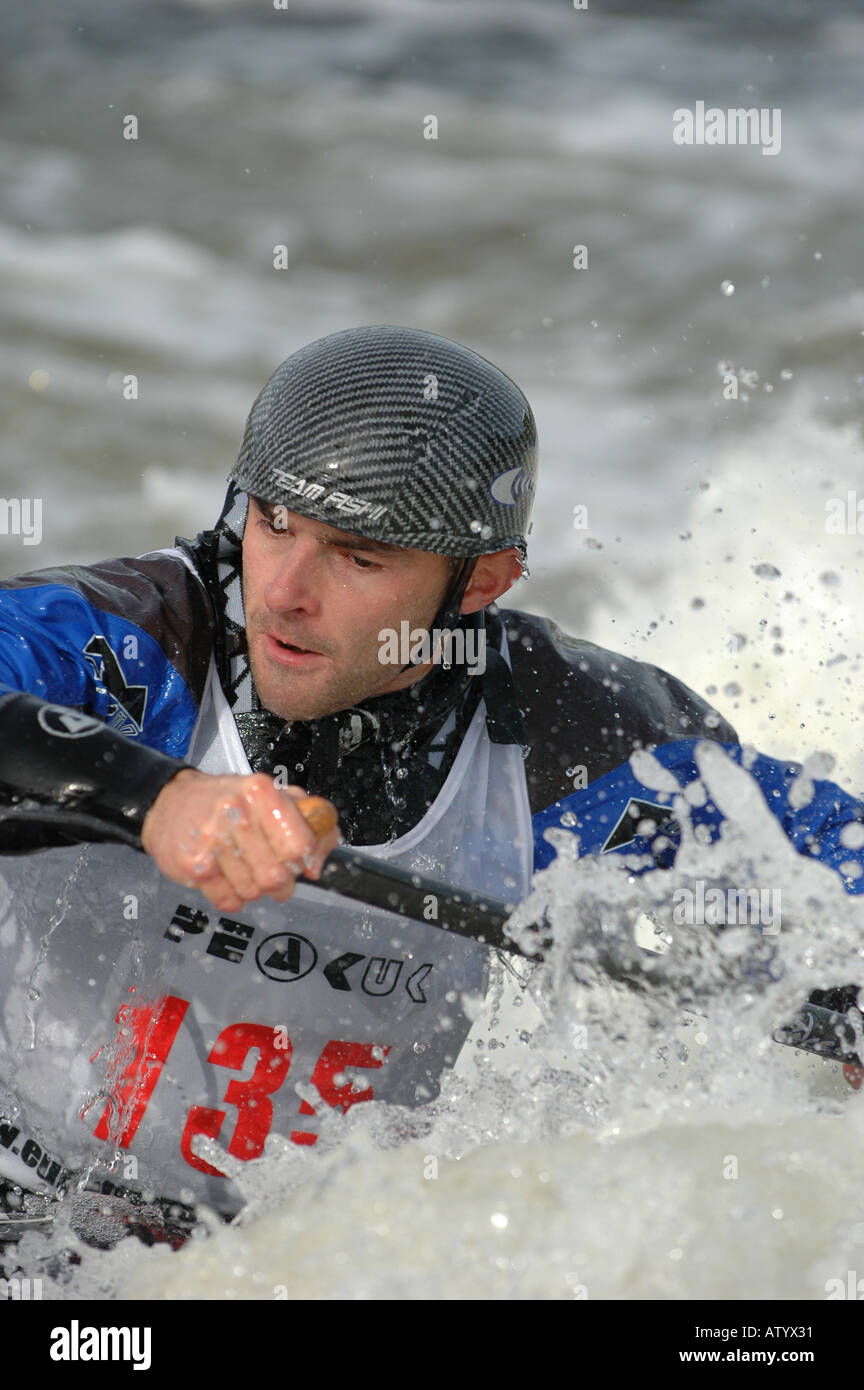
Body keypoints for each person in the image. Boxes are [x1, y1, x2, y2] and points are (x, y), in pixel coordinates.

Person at [0, 324, 858, 1243]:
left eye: (359, 557)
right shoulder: (127, 647)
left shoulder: (571, 743)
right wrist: (157, 797)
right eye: (272, 523)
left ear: (482, 580)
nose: (284, 590)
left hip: (299, 1264)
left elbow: (830, 870)